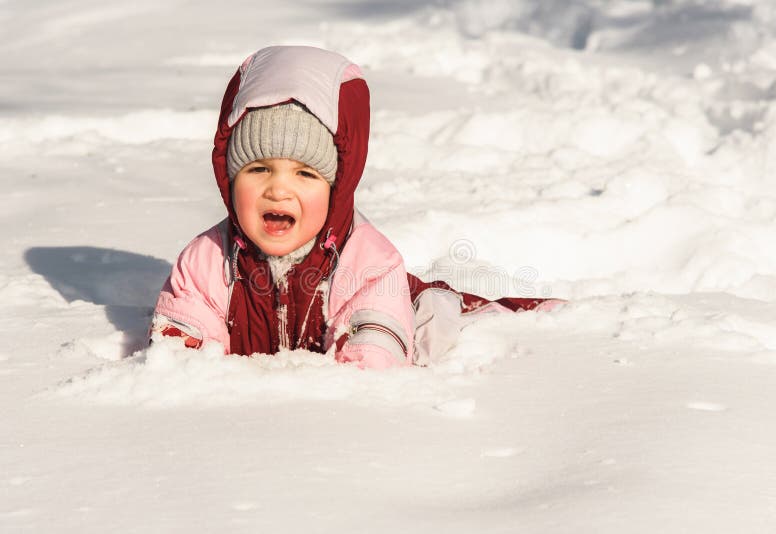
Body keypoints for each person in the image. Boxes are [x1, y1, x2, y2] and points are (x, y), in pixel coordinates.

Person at [151, 45, 561, 369]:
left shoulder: (371, 265)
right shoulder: (205, 263)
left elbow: (371, 373)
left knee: (443, 314)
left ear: (337, 187)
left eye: (305, 175)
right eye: (258, 169)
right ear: (229, 177)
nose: (278, 190)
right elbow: (180, 360)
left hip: (408, 314)